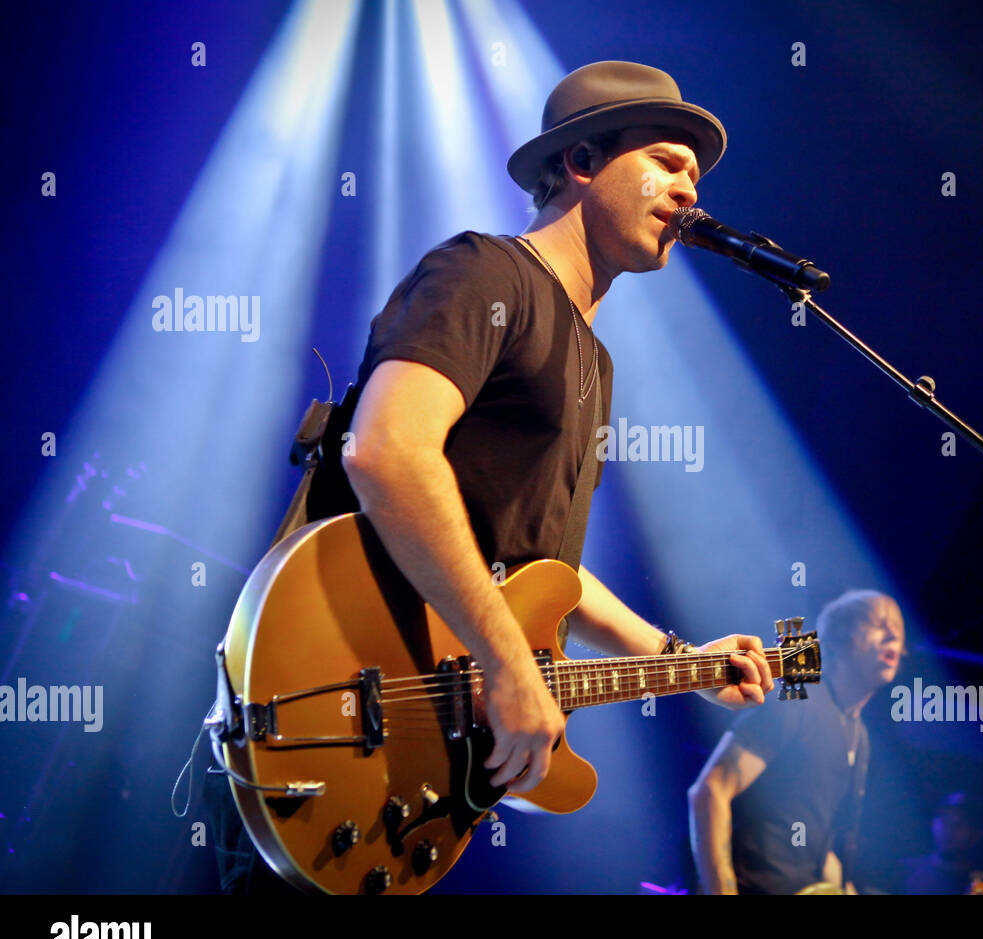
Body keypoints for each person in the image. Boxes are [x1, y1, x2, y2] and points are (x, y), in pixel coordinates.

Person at [206, 60, 775, 894]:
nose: (691, 192)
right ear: (580, 161)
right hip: (331, 703)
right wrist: (509, 666)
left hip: (411, 761)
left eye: (695, 174)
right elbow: (388, 452)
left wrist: (682, 657)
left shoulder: (595, 362)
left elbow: (540, 571)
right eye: (667, 162)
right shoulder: (486, 273)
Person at [689, 589, 905, 894]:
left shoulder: (859, 734)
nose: (892, 635)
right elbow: (710, 791)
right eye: (878, 623)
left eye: (897, 628)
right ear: (841, 638)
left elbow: (820, 849)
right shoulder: (798, 699)